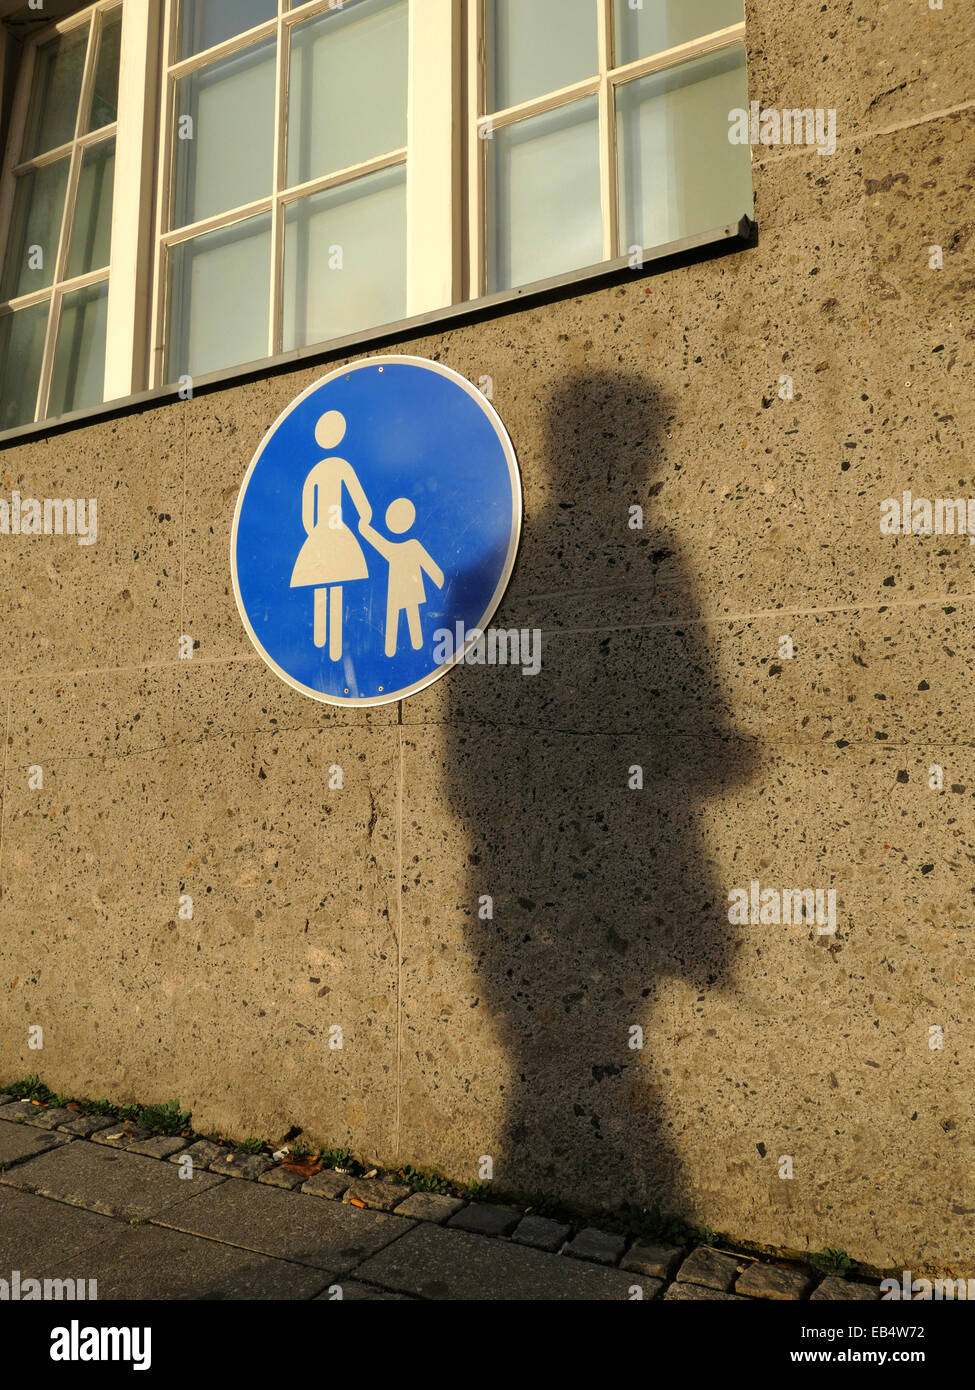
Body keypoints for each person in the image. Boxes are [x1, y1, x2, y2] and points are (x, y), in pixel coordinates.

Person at [290, 410, 372, 660]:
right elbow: (358, 498)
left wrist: (313, 532)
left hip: (323, 531)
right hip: (335, 530)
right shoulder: (339, 466)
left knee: (323, 578)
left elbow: (306, 511)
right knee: (333, 579)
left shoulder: (318, 471)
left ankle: (325, 641)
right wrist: (365, 515)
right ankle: (329, 644)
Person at [358, 498, 444, 657]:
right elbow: (379, 542)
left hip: (406, 588)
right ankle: (393, 650)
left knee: (408, 616)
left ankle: (408, 648)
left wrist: (439, 579)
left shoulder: (410, 546)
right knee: (397, 617)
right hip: (400, 589)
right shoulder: (405, 547)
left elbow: (428, 564)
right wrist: (365, 529)